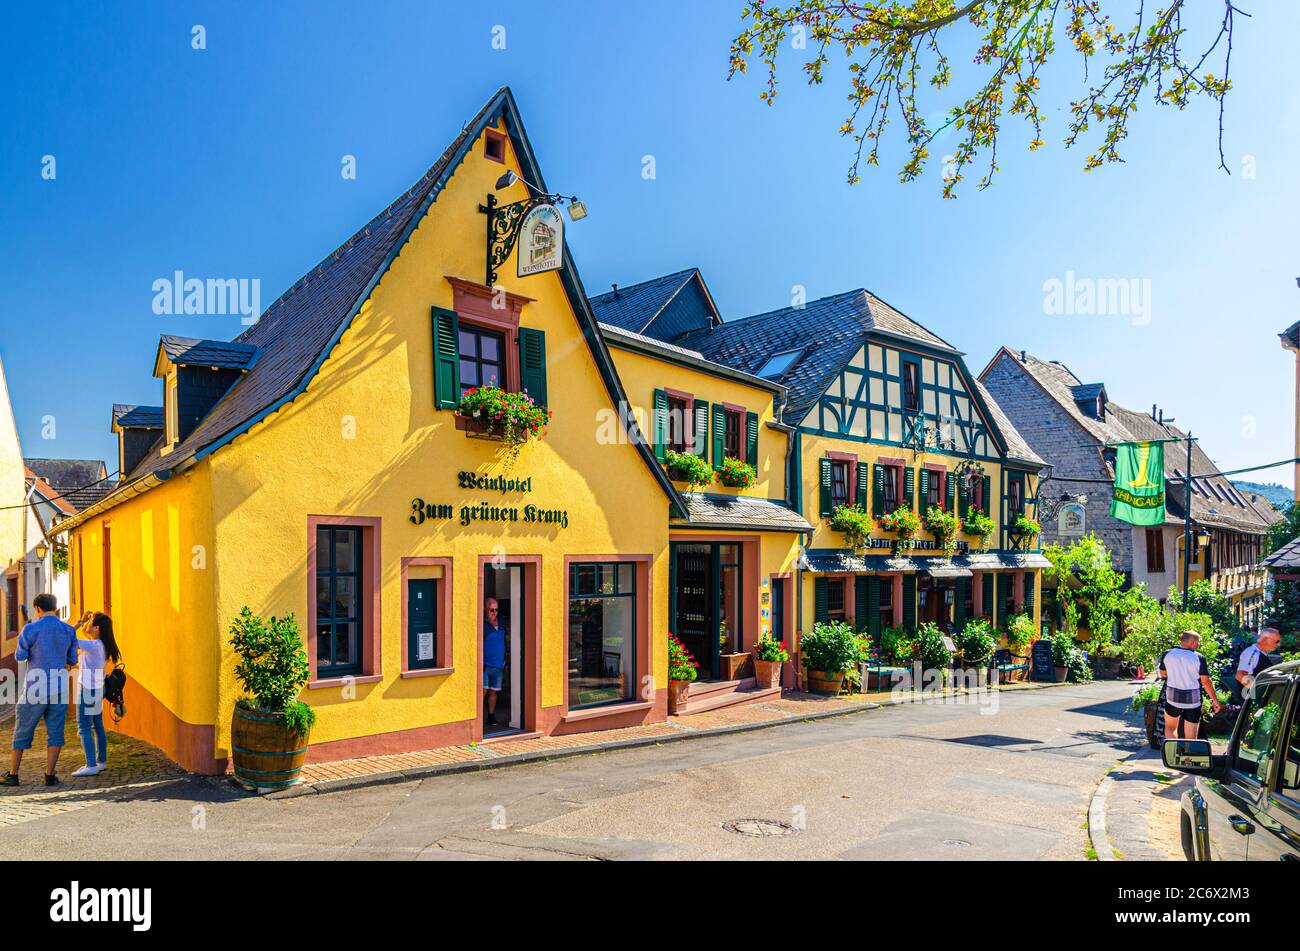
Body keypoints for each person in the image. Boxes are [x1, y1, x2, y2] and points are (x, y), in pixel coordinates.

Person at [2, 593, 78, 787]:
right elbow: (72, 660)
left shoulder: (30, 629)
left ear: (37, 609)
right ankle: (50, 775)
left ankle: (13, 774)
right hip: (59, 687)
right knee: (56, 732)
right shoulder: (68, 630)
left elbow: (20, 656)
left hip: (35, 687)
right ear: (54, 607)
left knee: (22, 731)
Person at [71, 611, 121, 778]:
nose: (87, 625)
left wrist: (79, 622)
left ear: (97, 628)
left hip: (87, 689)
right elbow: (86, 633)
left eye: (91, 622)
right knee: (97, 726)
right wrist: (87, 622)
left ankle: (90, 765)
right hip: (98, 689)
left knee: (84, 727)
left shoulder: (92, 646)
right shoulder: (102, 644)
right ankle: (100, 762)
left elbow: (67, 638)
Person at [1159, 630, 1222, 740]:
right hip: (1192, 700)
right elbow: (1206, 682)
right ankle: (1189, 756)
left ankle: (1172, 754)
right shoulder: (1199, 657)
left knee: (1170, 728)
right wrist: (1215, 701)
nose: (1198, 645)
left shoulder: (1168, 654)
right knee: (1191, 735)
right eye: (1198, 642)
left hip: (1172, 697)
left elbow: (1163, 673)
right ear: (1193, 642)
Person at [1235, 626, 1281, 697]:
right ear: (1266, 639)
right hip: (1250, 702)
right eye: (1277, 641)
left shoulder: (1260, 653)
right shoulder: (1252, 652)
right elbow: (1240, 675)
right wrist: (1258, 694)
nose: (1279, 644)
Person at [483, 598, 506, 728]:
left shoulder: (501, 622)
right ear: (486, 610)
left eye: (496, 610)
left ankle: (491, 716)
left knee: (494, 691)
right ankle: (478, 716)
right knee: (483, 690)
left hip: (498, 665)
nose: (494, 612)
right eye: (492, 610)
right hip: (485, 665)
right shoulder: (483, 624)